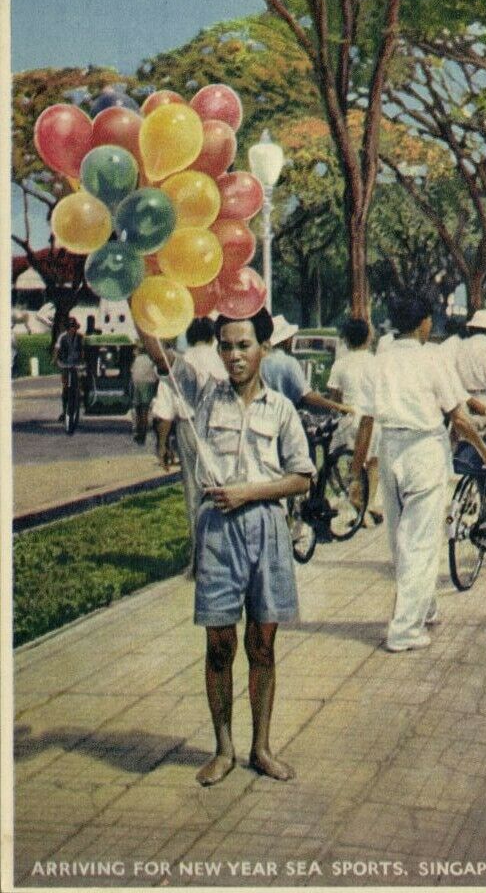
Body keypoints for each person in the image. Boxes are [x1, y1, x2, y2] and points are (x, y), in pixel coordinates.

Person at [137, 308, 314, 787]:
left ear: (264, 348)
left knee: (262, 644)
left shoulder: (280, 409)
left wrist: (249, 493)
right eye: (226, 346)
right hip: (217, 531)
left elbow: (300, 477)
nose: (234, 356)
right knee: (219, 645)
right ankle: (223, 749)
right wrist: (135, 282)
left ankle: (261, 748)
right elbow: (158, 353)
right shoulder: (201, 393)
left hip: (266, 530)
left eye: (244, 345)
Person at [351, 293, 486, 653]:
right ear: (423, 323)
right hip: (423, 450)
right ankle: (404, 630)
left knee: (401, 538)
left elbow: (366, 421)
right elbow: (458, 417)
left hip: (389, 449)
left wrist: (356, 469)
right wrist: (483, 449)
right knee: (419, 541)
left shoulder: (378, 361)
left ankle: (424, 606)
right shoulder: (432, 358)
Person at [153, 317, 227, 534]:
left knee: (193, 492)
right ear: (213, 336)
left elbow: (165, 410)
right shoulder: (219, 361)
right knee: (219, 485)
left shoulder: (181, 362)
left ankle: (198, 554)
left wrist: (162, 444)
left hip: (187, 427)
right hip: (217, 426)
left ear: (190, 337)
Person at [326, 317, 383, 525]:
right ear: (368, 338)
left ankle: (357, 504)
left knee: (350, 463)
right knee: (372, 463)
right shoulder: (376, 363)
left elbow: (334, 398)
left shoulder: (340, 364)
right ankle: (366, 507)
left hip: (349, 418)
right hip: (373, 419)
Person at [261, 314, 352, 416]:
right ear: (286, 341)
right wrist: (337, 406)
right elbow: (306, 395)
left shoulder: (260, 362)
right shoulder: (289, 363)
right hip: (283, 417)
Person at [54, 317, 83, 421]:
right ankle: (64, 410)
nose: (72, 329)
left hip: (76, 364)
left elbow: (83, 350)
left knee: (78, 384)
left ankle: (77, 402)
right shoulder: (62, 337)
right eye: (70, 327)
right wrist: (56, 360)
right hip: (65, 364)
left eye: (73, 327)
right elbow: (57, 349)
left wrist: (83, 361)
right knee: (65, 387)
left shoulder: (80, 337)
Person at [130, 346, 158, 444]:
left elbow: (133, 372)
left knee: (138, 410)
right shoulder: (151, 360)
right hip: (147, 384)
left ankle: (139, 433)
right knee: (144, 411)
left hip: (137, 384)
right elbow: (155, 374)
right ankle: (142, 433)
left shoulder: (137, 359)